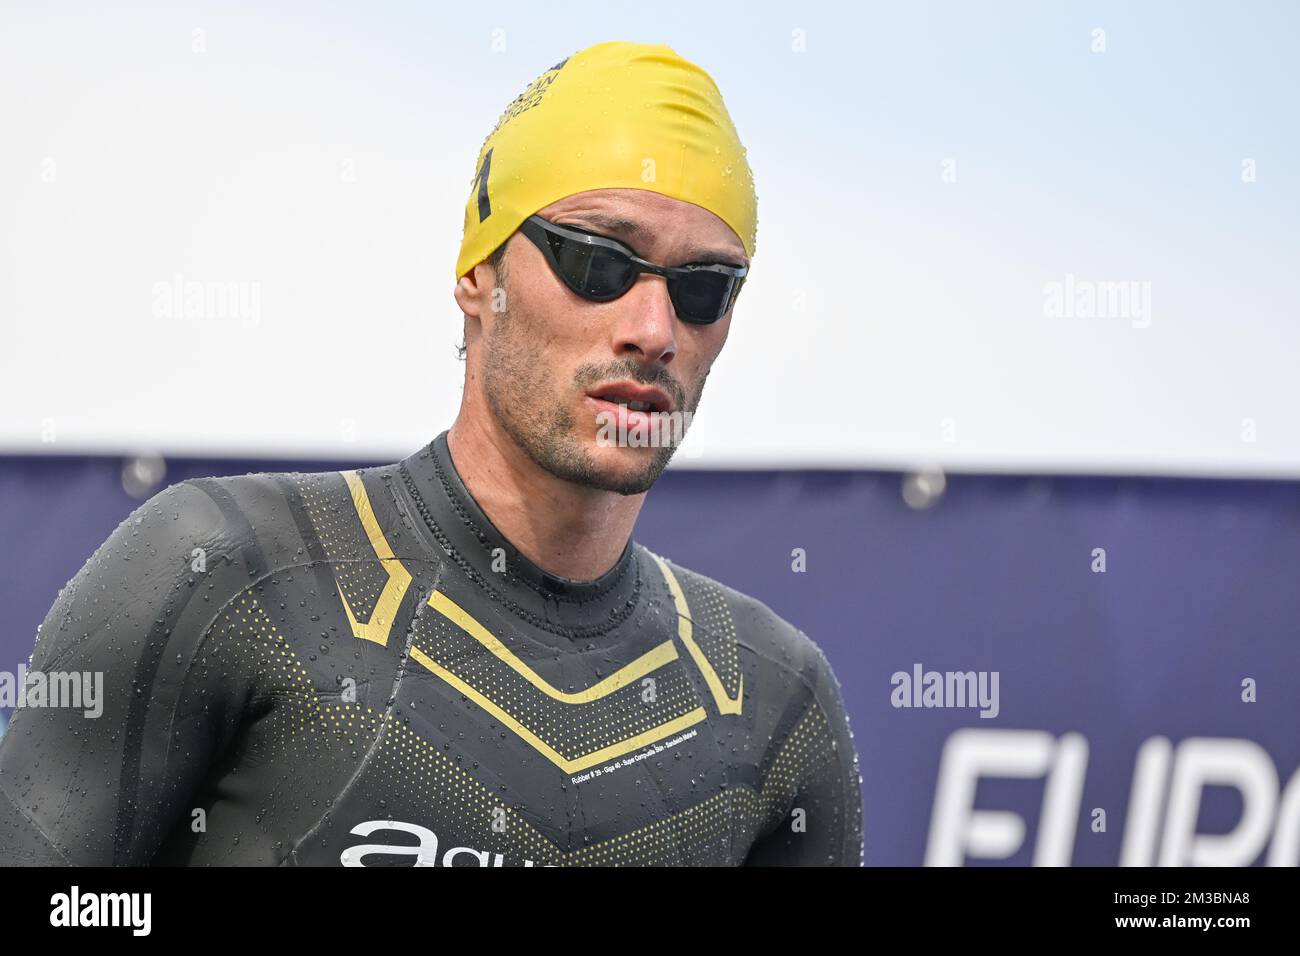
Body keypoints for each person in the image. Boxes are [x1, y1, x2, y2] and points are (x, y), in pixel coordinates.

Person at [0, 40, 863, 866]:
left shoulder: (774, 705)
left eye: (703, 288)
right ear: (479, 274)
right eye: (598, 263)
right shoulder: (228, 574)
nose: (652, 330)